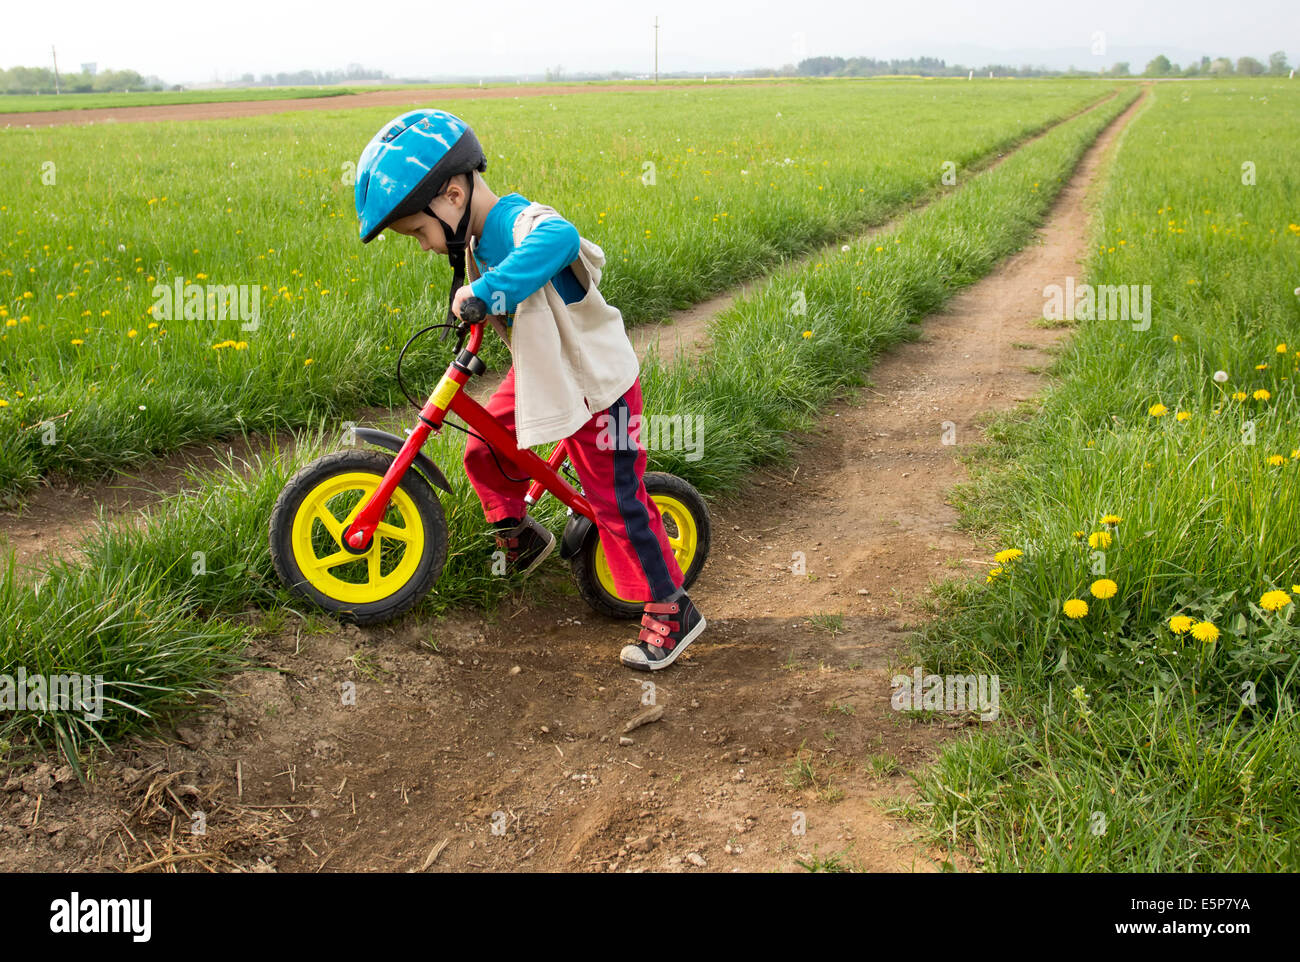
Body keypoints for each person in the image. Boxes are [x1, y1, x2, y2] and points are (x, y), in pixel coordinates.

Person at [353, 108, 705, 670]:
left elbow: (559, 237)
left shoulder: (517, 222)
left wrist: (488, 288)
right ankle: (524, 537)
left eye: (418, 231)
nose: (422, 245)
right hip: (544, 373)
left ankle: (670, 608)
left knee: (616, 502)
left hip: (596, 386)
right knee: (484, 448)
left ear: (451, 195)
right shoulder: (475, 239)